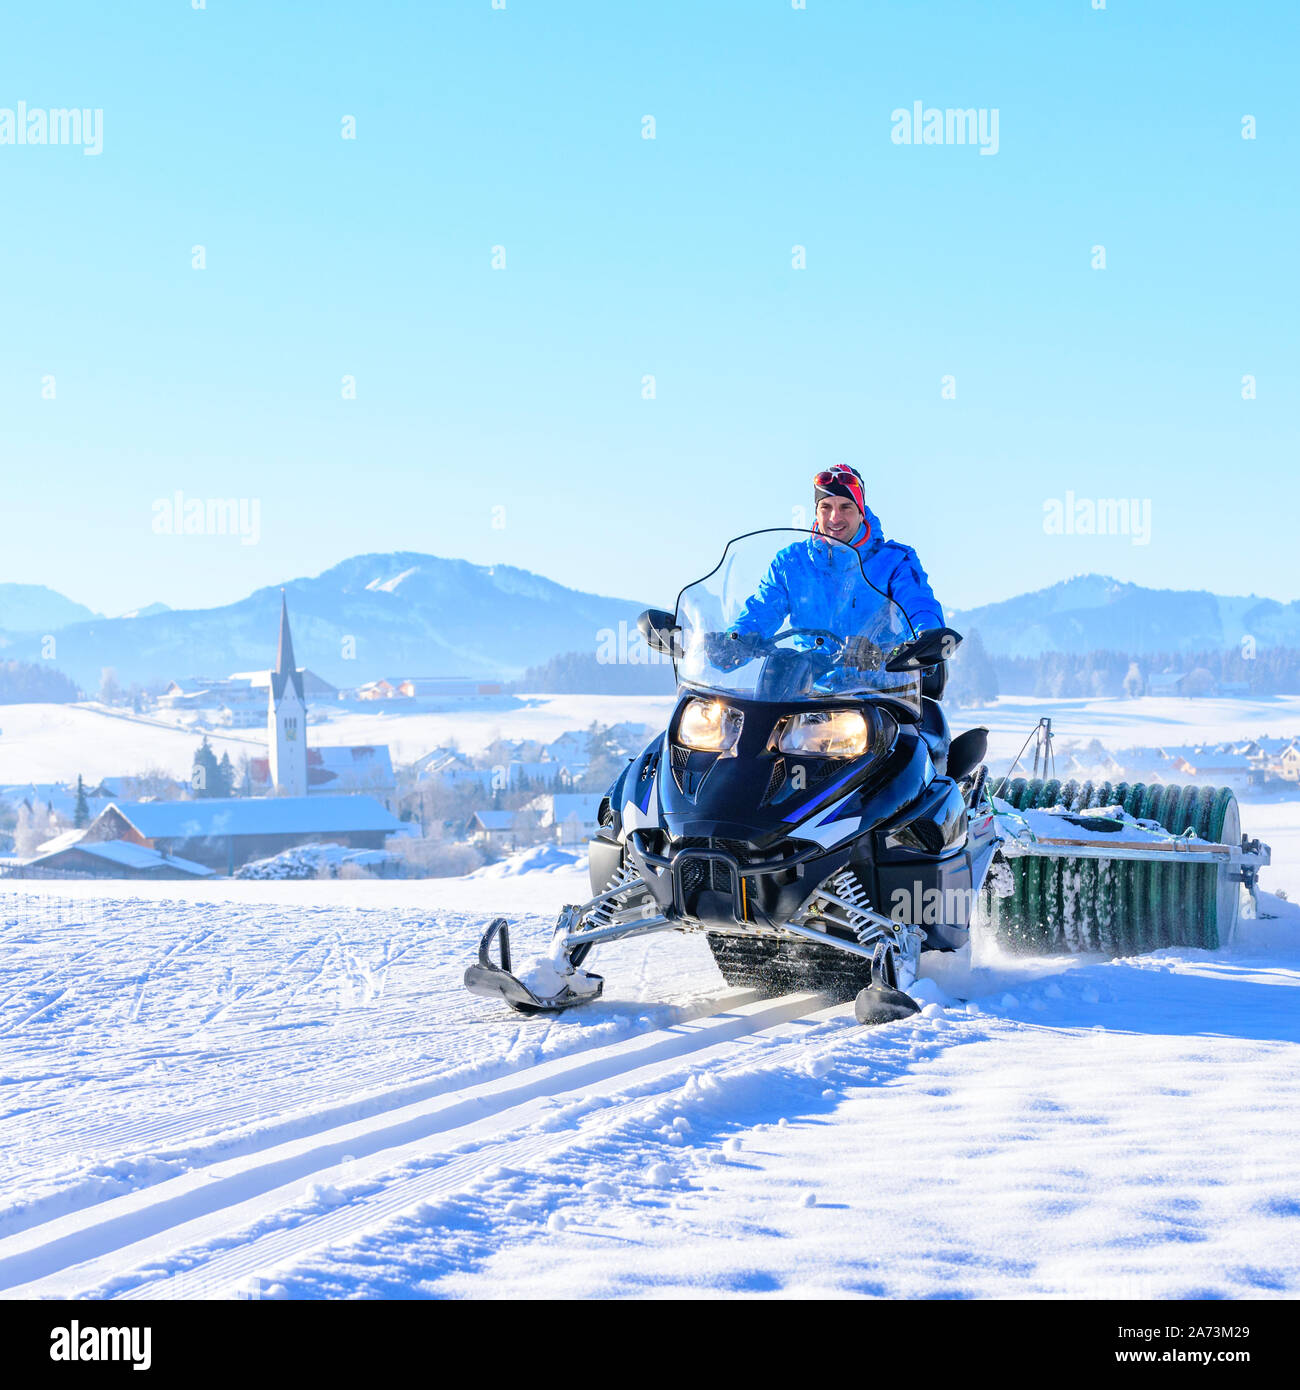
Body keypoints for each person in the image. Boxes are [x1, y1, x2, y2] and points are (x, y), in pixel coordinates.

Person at [729, 464, 944, 648]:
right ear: (816, 512)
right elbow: (761, 611)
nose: (834, 517)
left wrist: (925, 639)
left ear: (861, 513)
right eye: (826, 507)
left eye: (845, 507)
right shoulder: (791, 563)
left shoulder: (895, 562)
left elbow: (918, 606)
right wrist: (733, 641)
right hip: (805, 690)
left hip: (877, 686)